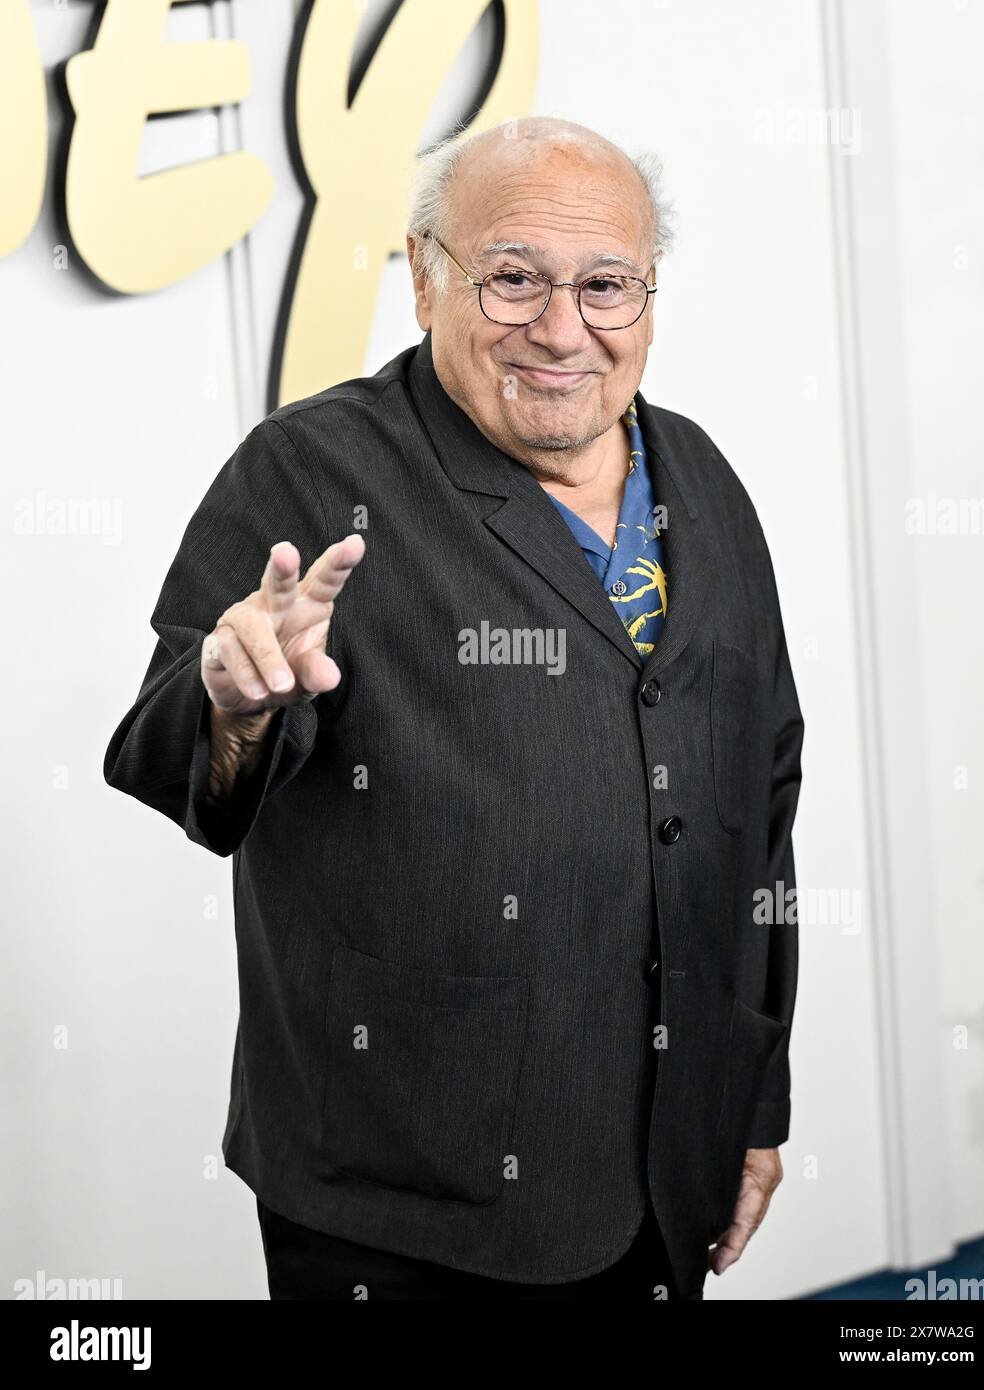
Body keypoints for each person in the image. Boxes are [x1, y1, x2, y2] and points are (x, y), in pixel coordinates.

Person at [104, 116, 804, 1301]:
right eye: (514, 278)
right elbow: (186, 770)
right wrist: (236, 703)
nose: (562, 327)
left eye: (605, 285)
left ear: (649, 296)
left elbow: (763, 803)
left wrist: (752, 1091)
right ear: (426, 277)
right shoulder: (311, 473)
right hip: (408, 1192)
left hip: (663, 1156)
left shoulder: (703, 482)